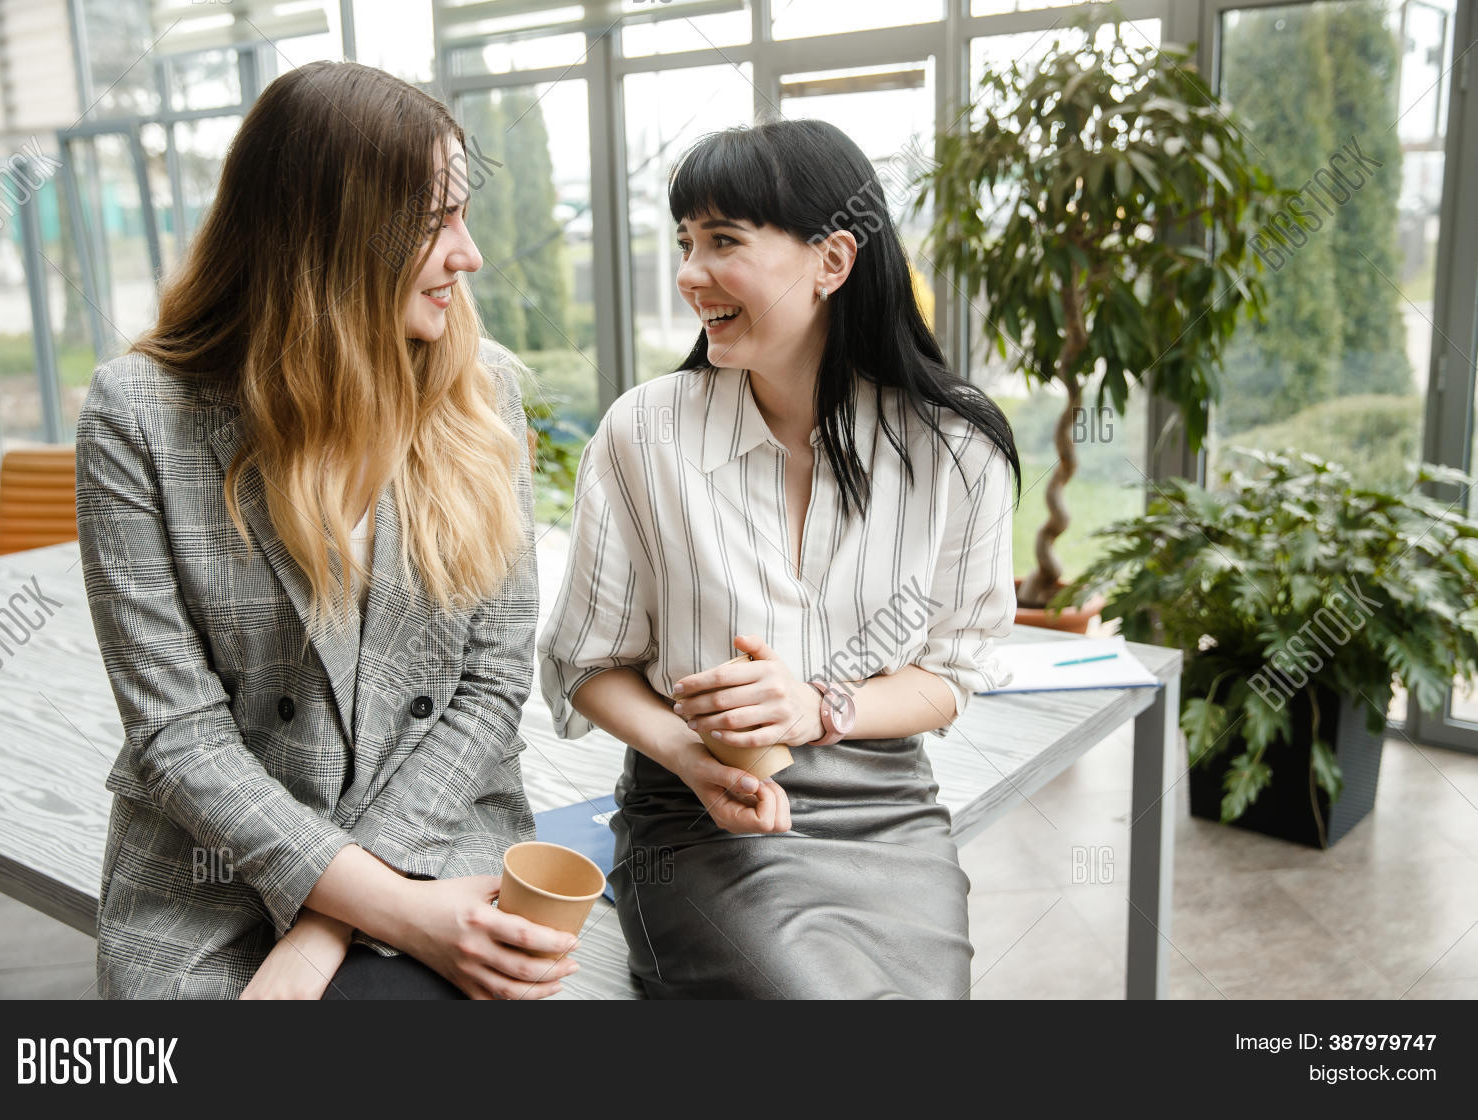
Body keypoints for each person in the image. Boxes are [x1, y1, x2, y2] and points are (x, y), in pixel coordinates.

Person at [76, 61, 579, 1000]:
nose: (469, 254)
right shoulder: (137, 415)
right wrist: (378, 910)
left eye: (463, 215)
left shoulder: (483, 392)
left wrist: (333, 924)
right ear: (333, 236)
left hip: (430, 837)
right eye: (436, 221)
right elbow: (177, 736)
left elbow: (492, 682)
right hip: (213, 873)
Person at [538, 119, 1021, 998]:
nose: (690, 273)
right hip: (699, 808)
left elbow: (956, 669)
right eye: (686, 242)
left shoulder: (957, 449)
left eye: (723, 240)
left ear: (833, 261)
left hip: (886, 810)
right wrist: (690, 754)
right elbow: (587, 665)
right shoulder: (644, 433)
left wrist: (818, 707)